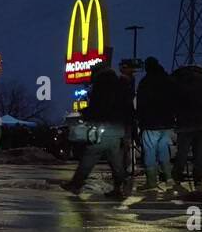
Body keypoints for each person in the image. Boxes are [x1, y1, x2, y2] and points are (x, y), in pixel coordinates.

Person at [66, 63, 132, 197]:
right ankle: (121, 185)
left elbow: (98, 107)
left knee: (90, 155)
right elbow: (128, 108)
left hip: (103, 127)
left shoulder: (101, 86)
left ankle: (76, 184)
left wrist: (84, 113)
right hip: (117, 127)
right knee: (115, 159)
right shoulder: (120, 85)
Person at [135, 57, 177, 190]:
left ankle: (151, 181)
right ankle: (168, 177)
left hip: (150, 123)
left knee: (150, 152)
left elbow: (141, 105)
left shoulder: (145, 82)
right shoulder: (168, 80)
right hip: (167, 123)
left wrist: (140, 121)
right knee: (163, 149)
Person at [171, 64, 202, 187]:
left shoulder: (179, 82)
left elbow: (173, 101)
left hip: (185, 123)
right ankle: (198, 177)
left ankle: (177, 175)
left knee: (182, 151)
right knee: (200, 152)